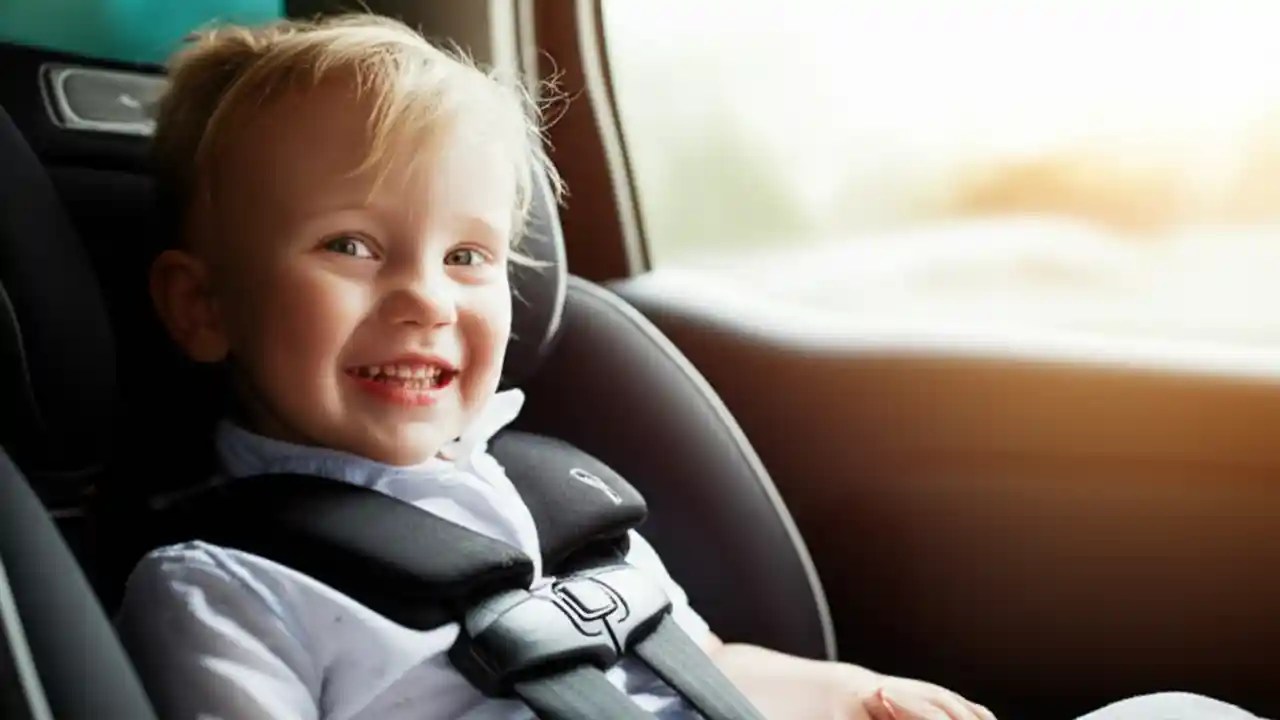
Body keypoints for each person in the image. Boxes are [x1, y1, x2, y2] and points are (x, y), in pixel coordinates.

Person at [113, 14, 1264, 720]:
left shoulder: (547, 500)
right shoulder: (225, 587)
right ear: (202, 305)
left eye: (465, 255)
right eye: (352, 247)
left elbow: (691, 663)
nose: (424, 297)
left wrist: (853, 695)